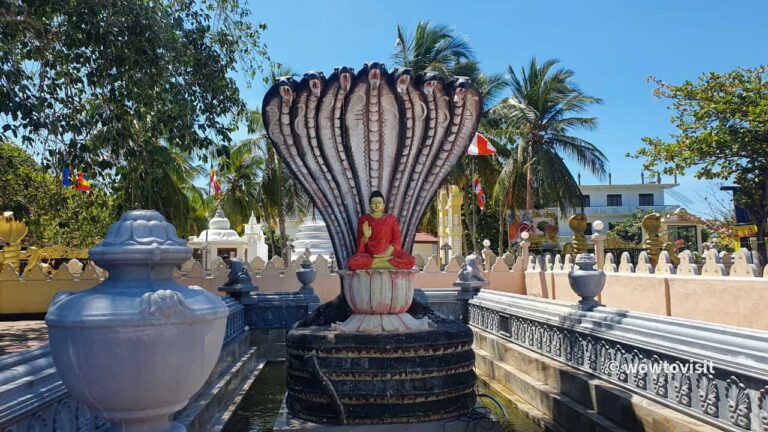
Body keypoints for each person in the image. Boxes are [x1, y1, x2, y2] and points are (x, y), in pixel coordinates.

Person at [347, 191, 416, 270]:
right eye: (374, 203)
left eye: (379, 203)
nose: (377, 205)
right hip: (371, 255)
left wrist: (387, 253)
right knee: (351, 262)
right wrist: (365, 236)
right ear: (370, 205)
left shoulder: (391, 219)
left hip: (389, 254)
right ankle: (382, 262)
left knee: (411, 260)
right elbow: (361, 243)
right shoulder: (364, 219)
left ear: (383, 205)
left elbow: (396, 240)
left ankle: (375, 264)